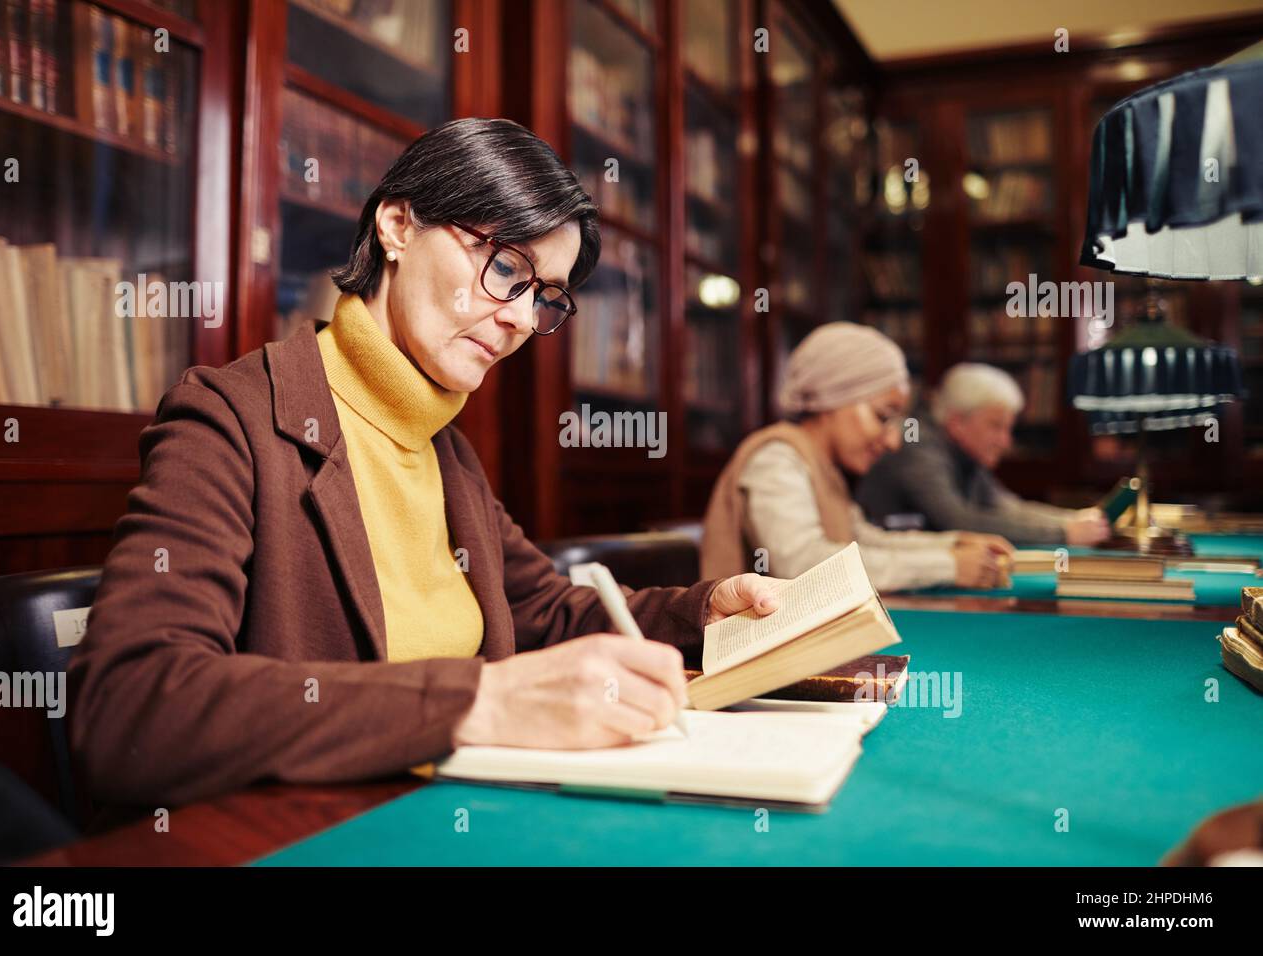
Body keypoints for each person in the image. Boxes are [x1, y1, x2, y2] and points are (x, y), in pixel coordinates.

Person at [68, 118, 779, 808]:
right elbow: (131, 706)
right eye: (506, 267)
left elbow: (543, 611)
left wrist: (703, 609)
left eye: (546, 297)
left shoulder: (444, 447)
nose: (522, 320)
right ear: (397, 226)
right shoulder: (231, 420)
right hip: (312, 832)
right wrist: (481, 700)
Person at [700, 323, 1012, 591]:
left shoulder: (823, 467)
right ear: (832, 398)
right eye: (883, 415)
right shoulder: (776, 459)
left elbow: (863, 539)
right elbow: (802, 564)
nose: (893, 441)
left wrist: (953, 544)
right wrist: (947, 566)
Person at [855, 363, 1111, 546]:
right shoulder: (917, 444)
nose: (1005, 441)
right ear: (957, 422)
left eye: (1008, 428)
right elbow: (960, 522)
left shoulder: (961, 450)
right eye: (995, 426)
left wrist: (1072, 519)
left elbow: (1007, 506)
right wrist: (1063, 534)